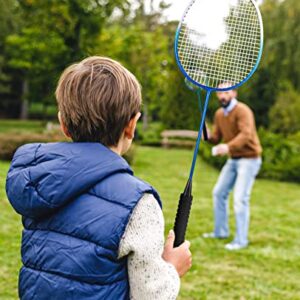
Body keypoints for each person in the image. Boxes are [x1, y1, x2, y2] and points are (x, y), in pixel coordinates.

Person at [6, 56, 192, 299]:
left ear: (63, 123)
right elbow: (150, 294)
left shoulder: (37, 184)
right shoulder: (139, 203)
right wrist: (172, 269)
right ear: (131, 125)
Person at [203, 82, 262, 250]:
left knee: (240, 198)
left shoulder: (243, 110)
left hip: (249, 159)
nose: (223, 96)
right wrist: (205, 135)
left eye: (226, 92)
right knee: (219, 192)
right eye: (220, 93)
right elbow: (215, 138)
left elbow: (246, 134)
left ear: (234, 93)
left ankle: (241, 240)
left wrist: (227, 147)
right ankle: (220, 231)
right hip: (234, 159)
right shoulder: (219, 114)